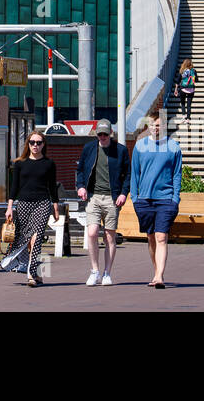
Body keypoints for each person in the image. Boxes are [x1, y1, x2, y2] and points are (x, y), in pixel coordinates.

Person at [1, 131, 60, 287]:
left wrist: (55, 206)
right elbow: (14, 187)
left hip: (42, 203)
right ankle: (37, 273)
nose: (35, 145)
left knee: (36, 238)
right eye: (32, 142)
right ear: (28, 144)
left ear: (43, 145)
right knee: (24, 240)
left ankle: (31, 273)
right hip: (24, 204)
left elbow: (52, 187)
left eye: (39, 143)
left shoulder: (49, 163)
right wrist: (9, 207)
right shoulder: (20, 163)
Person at [74, 120, 130, 286]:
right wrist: (81, 186)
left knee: (109, 236)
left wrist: (123, 193)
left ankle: (107, 273)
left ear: (111, 133)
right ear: (96, 134)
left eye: (106, 134)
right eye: (100, 134)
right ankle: (94, 270)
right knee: (92, 233)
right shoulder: (89, 148)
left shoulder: (120, 150)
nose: (103, 137)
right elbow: (80, 170)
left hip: (112, 198)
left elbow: (127, 174)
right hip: (93, 196)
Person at [130, 114, 182, 288]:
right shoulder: (140, 146)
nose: (155, 128)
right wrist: (135, 197)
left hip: (165, 199)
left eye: (159, 125)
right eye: (152, 125)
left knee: (161, 236)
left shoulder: (173, 146)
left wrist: (175, 199)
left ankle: (159, 276)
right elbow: (135, 174)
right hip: (144, 199)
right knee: (151, 238)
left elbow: (176, 174)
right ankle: (156, 272)